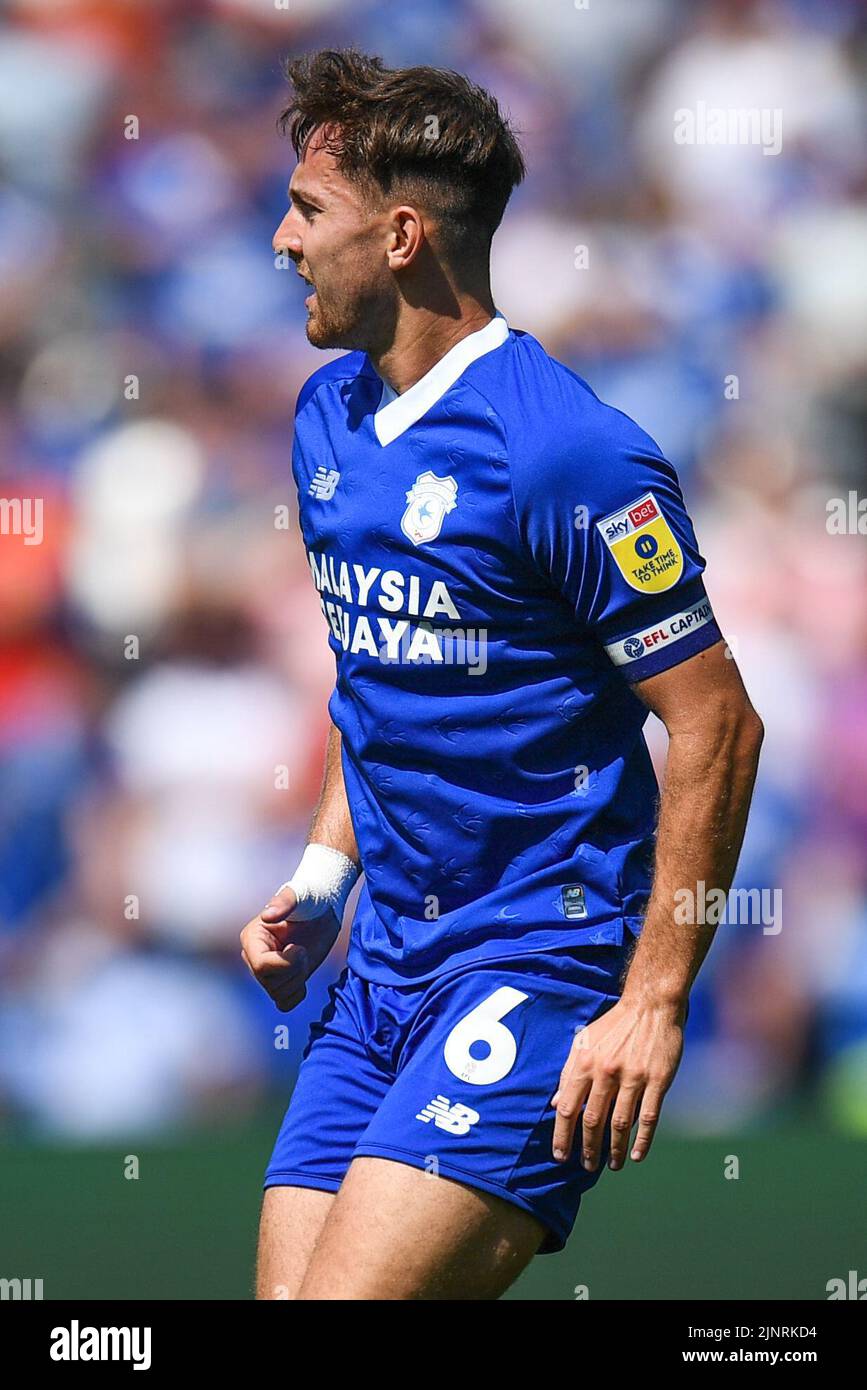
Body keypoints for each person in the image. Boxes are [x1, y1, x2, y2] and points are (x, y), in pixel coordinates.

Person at [240, 48, 763, 1301]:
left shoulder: (566, 452)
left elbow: (720, 726)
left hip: (538, 961)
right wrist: (322, 877)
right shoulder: (326, 418)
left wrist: (656, 998)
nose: (280, 240)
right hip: (378, 974)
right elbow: (374, 675)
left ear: (406, 234)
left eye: (311, 211)